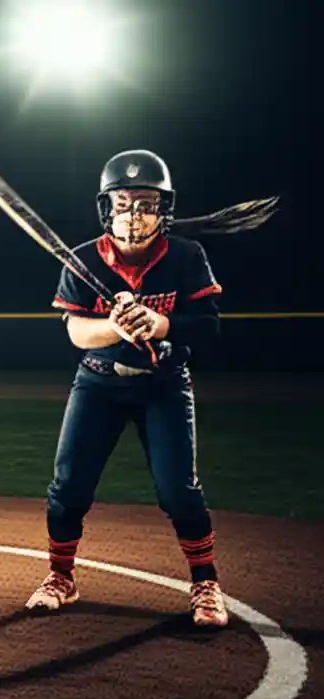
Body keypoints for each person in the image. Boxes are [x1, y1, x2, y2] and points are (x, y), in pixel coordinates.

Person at [25, 148, 278, 628]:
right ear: (107, 208)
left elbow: (206, 328)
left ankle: (206, 584)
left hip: (164, 385)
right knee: (68, 487)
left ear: (164, 208)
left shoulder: (185, 256)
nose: (134, 214)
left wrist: (159, 322)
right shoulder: (82, 260)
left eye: (146, 203)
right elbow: (78, 333)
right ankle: (62, 578)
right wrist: (116, 329)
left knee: (179, 492)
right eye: (123, 203)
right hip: (98, 384)